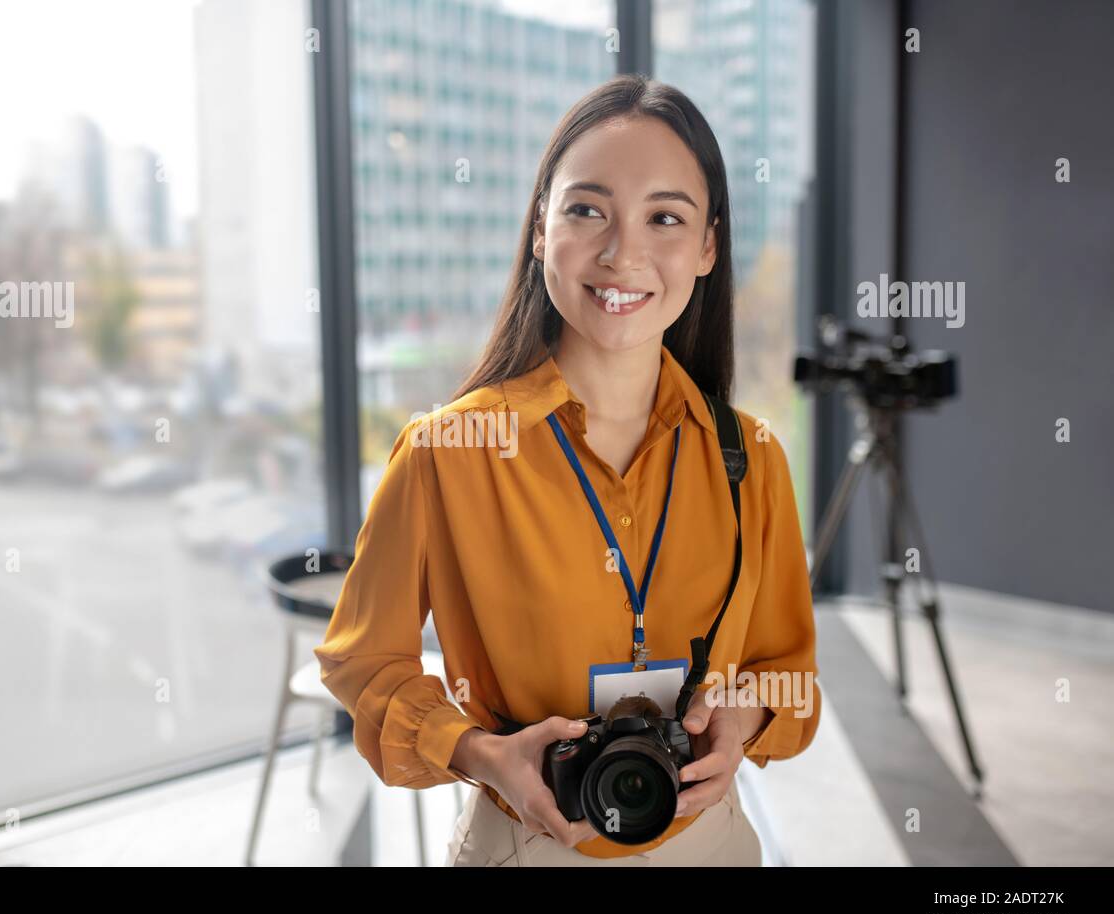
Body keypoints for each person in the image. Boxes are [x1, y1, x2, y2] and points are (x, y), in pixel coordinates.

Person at [313, 74, 820, 866]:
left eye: (665, 218)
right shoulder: (448, 452)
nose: (623, 254)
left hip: (710, 845)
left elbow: (789, 670)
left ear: (709, 246)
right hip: (525, 845)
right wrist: (480, 753)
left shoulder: (751, 460)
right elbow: (361, 660)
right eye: (587, 210)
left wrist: (748, 712)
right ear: (542, 228)